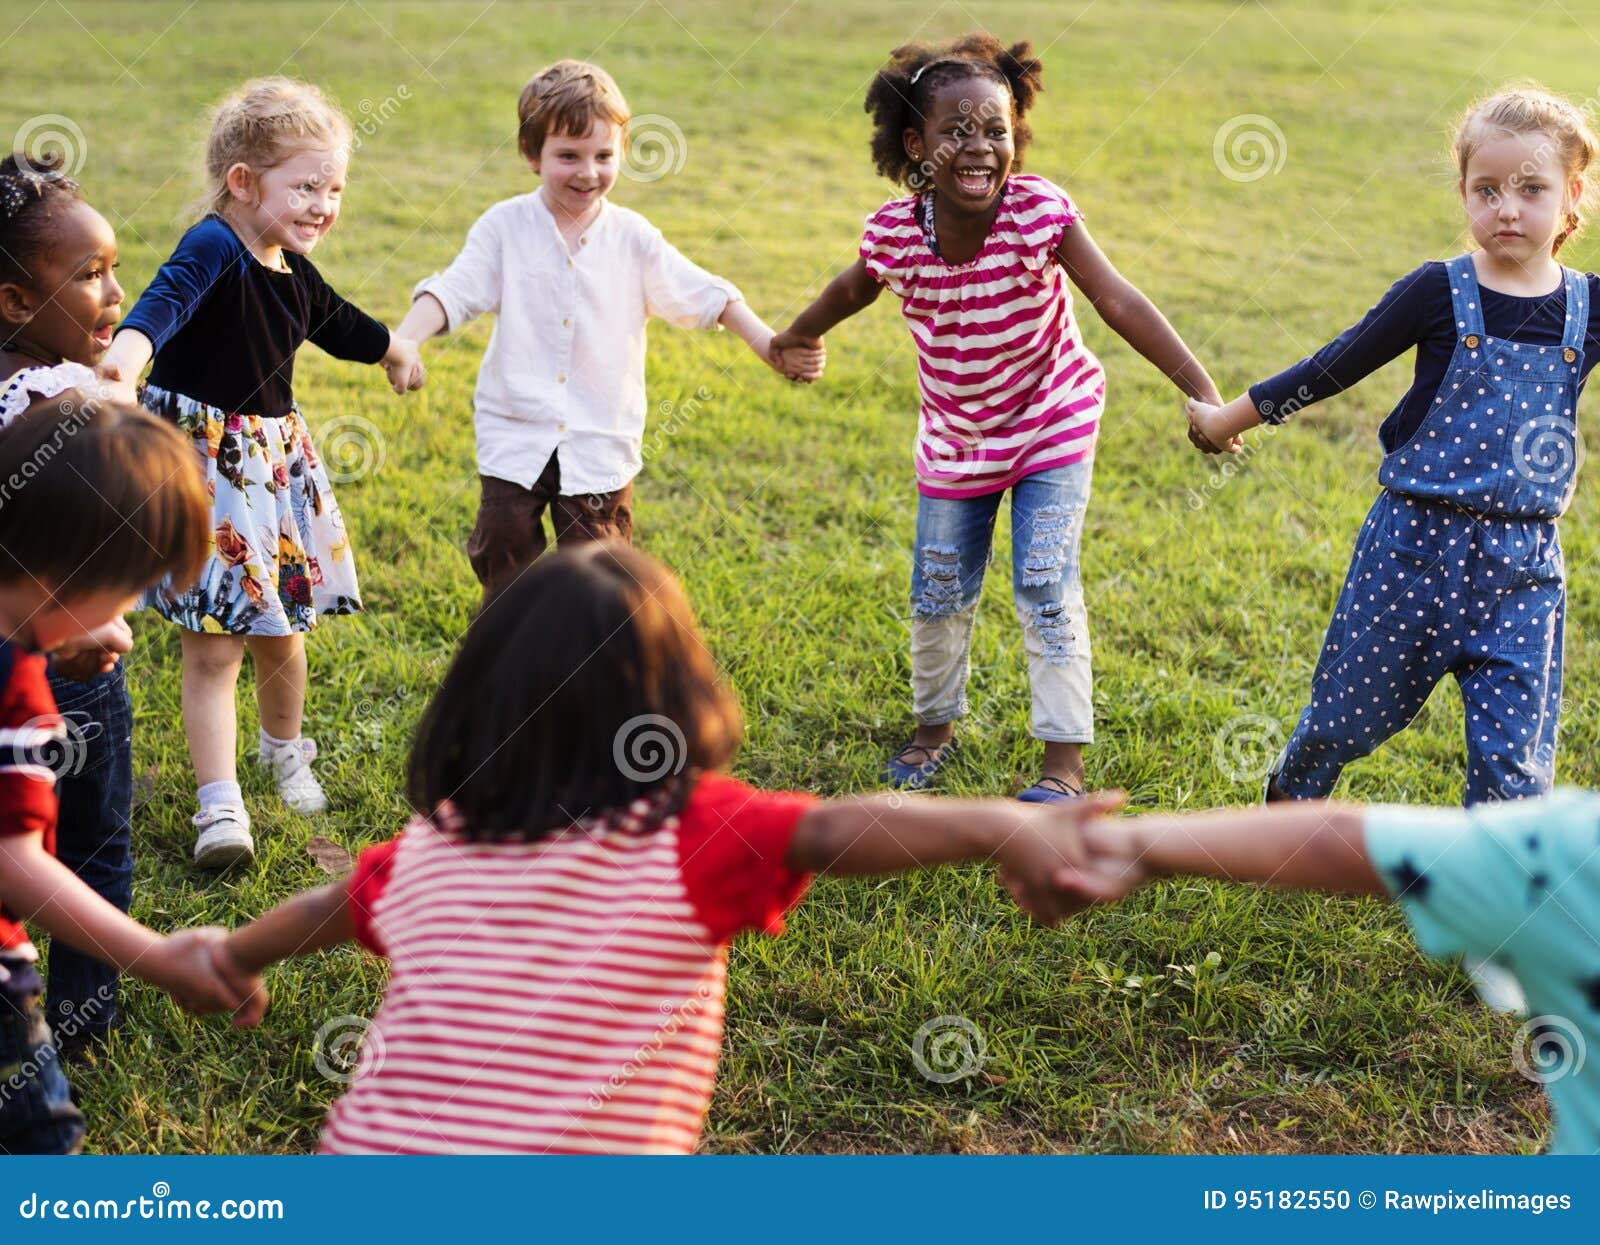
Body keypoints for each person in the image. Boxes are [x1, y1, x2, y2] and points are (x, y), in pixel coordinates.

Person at [218, 544, 1109, 1153]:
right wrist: (1003, 821)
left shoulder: (429, 852)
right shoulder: (687, 837)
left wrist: (231, 958)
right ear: (674, 700)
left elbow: (325, 911)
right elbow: (839, 829)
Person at [770, 34, 1221, 802]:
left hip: (1053, 419)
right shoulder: (895, 234)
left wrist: (1205, 392)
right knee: (938, 586)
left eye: (995, 130)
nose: (978, 146)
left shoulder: (1039, 211)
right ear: (916, 144)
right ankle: (933, 731)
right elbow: (849, 290)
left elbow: (1118, 300)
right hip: (956, 440)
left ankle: (1062, 766)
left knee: (1046, 579)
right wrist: (797, 334)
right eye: (955, 131)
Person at [96, 77, 425, 868]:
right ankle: (220, 810)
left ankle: (284, 750)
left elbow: (342, 322)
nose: (324, 204)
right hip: (201, 472)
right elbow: (161, 305)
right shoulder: (215, 246)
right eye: (306, 185)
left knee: (283, 630)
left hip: (271, 475)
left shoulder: (293, 270)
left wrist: (395, 349)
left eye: (334, 187)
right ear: (242, 183)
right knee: (211, 646)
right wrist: (124, 359)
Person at [389, 58, 823, 604]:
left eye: (603, 156)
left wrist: (766, 342)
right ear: (531, 154)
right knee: (502, 551)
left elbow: (704, 293)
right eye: (567, 156)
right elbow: (454, 289)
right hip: (515, 430)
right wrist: (406, 338)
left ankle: (590, 669)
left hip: (599, 437)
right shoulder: (505, 228)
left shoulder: (633, 239)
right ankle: (509, 652)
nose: (588, 173)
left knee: (599, 571)